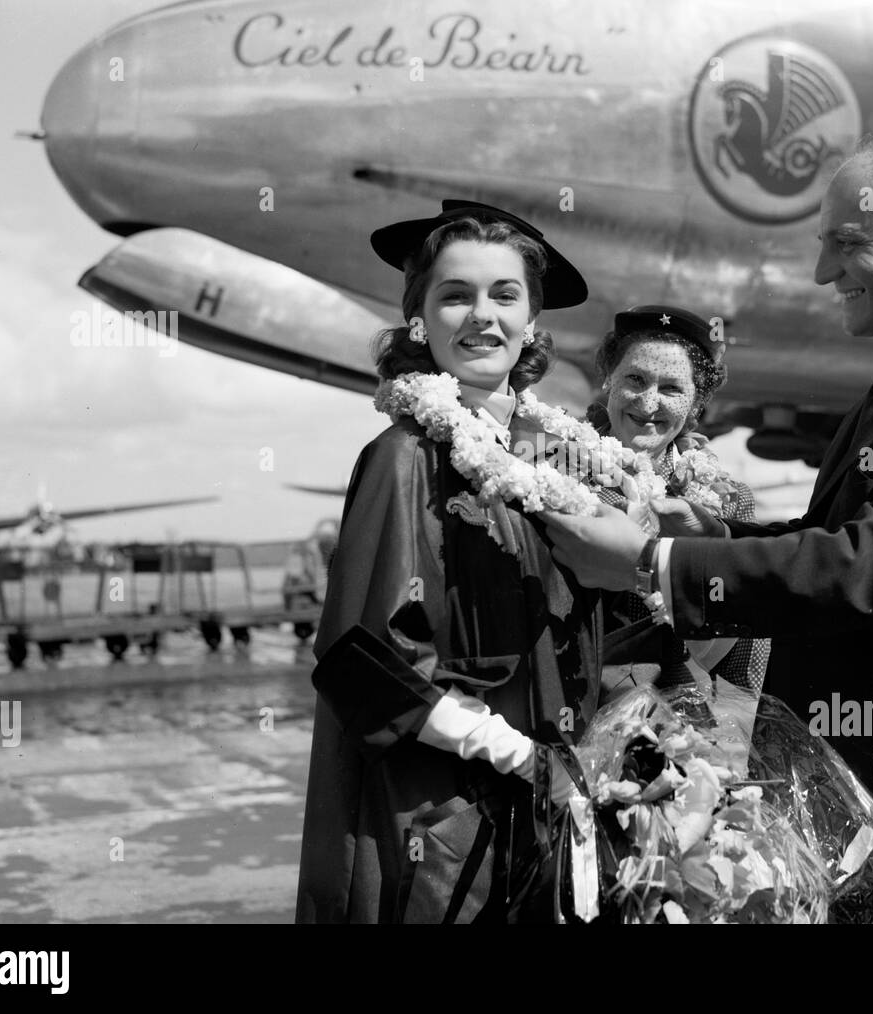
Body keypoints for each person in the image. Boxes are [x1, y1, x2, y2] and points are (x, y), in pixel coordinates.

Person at [541, 128, 873, 924]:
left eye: (846, 244)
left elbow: (872, 563)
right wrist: (719, 543)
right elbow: (837, 530)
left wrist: (650, 562)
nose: (823, 271)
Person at [295, 199, 600, 924]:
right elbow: (363, 665)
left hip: (540, 812)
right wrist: (520, 757)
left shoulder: (547, 462)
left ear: (531, 323)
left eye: (504, 295)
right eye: (455, 295)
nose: (480, 317)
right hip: (440, 824)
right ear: (418, 319)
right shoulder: (403, 458)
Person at [588, 304, 770, 697]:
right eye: (635, 379)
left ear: (696, 404)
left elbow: (748, 634)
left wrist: (732, 736)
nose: (649, 402)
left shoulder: (729, 502)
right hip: (571, 705)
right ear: (608, 380)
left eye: (672, 388)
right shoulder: (553, 476)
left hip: (680, 722)